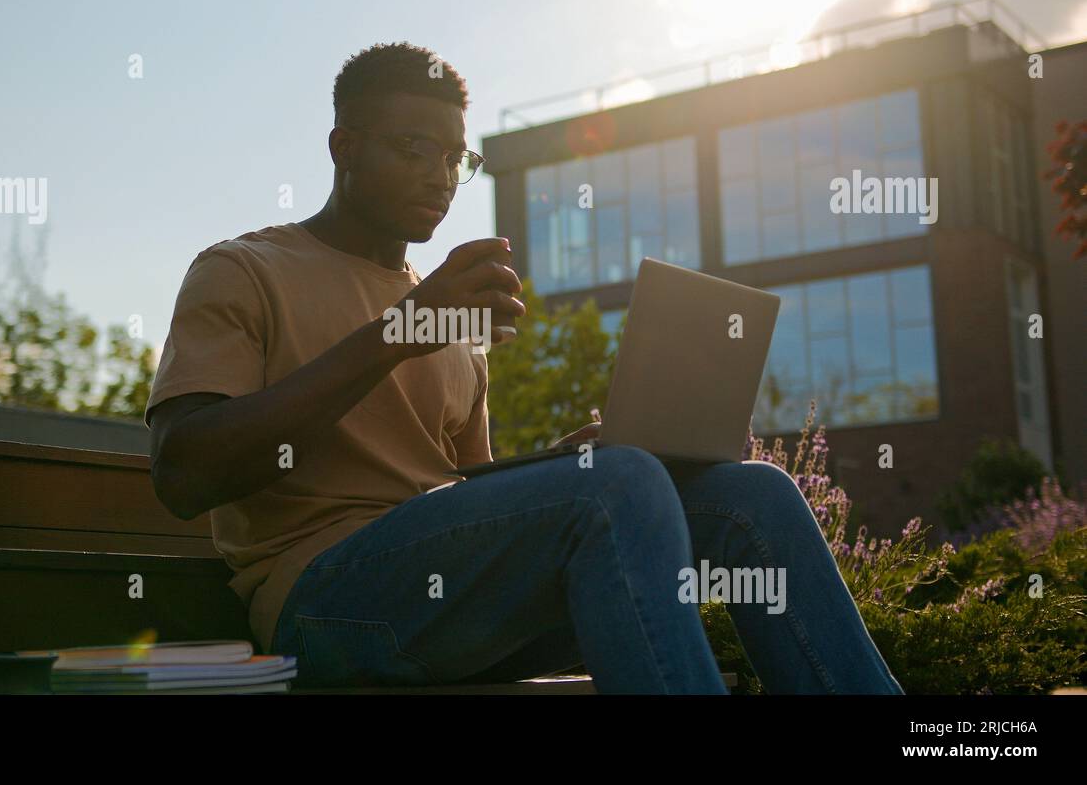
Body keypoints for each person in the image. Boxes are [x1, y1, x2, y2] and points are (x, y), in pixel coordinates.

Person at [145, 42, 904, 694]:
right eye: (413, 149)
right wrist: (402, 332)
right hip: (323, 603)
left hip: (454, 598)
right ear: (343, 148)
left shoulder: (446, 314)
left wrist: (565, 462)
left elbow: (464, 493)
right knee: (618, 487)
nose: (441, 175)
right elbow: (184, 471)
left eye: (455, 158)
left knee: (752, 495)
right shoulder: (244, 270)